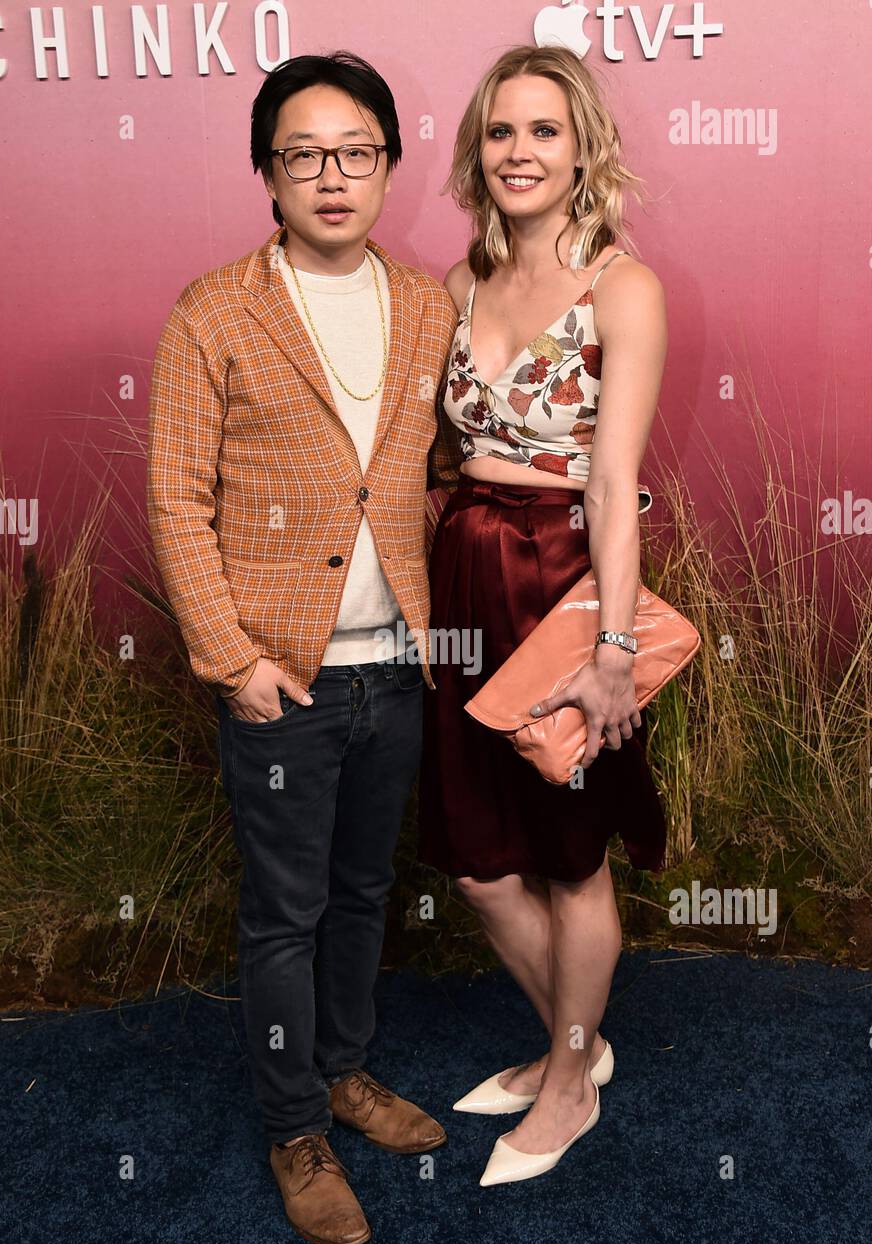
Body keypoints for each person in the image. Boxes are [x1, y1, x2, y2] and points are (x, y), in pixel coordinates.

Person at [146, 51, 463, 1244]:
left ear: (388, 163)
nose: (332, 176)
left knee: (364, 892)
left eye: (356, 152)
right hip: (285, 677)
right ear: (266, 172)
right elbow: (176, 499)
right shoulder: (213, 311)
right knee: (284, 912)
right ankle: (294, 1124)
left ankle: (344, 1070)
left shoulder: (428, 303)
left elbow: (433, 462)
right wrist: (234, 659)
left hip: (398, 666)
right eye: (303, 154)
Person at [417, 44, 668, 1186]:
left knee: (572, 860)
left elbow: (614, 484)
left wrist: (614, 649)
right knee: (477, 859)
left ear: (583, 152)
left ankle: (570, 1082)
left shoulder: (625, 286)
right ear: (479, 151)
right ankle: (582, 1039)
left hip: (563, 579)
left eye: (544, 132)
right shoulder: (459, 285)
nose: (520, 152)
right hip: (465, 572)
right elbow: (436, 460)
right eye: (501, 132)